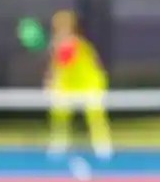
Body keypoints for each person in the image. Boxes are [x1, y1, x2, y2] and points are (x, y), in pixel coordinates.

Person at [46, 10, 113, 159]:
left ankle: (103, 147)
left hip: (90, 85)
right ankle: (58, 145)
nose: (60, 30)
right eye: (57, 27)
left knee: (96, 117)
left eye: (64, 26)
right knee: (59, 115)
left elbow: (65, 59)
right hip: (67, 86)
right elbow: (56, 68)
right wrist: (51, 82)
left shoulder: (76, 44)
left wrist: (57, 47)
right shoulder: (58, 45)